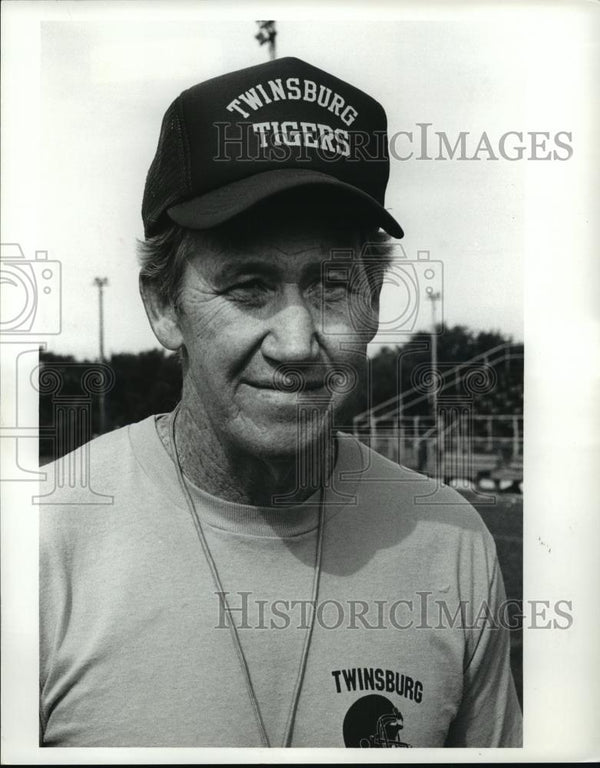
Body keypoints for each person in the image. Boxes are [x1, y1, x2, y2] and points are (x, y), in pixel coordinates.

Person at [39, 56, 522, 748]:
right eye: (248, 287)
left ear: (375, 303)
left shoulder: (450, 543)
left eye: (330, 286)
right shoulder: (42, 547)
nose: (296, 344)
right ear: (164, 307)